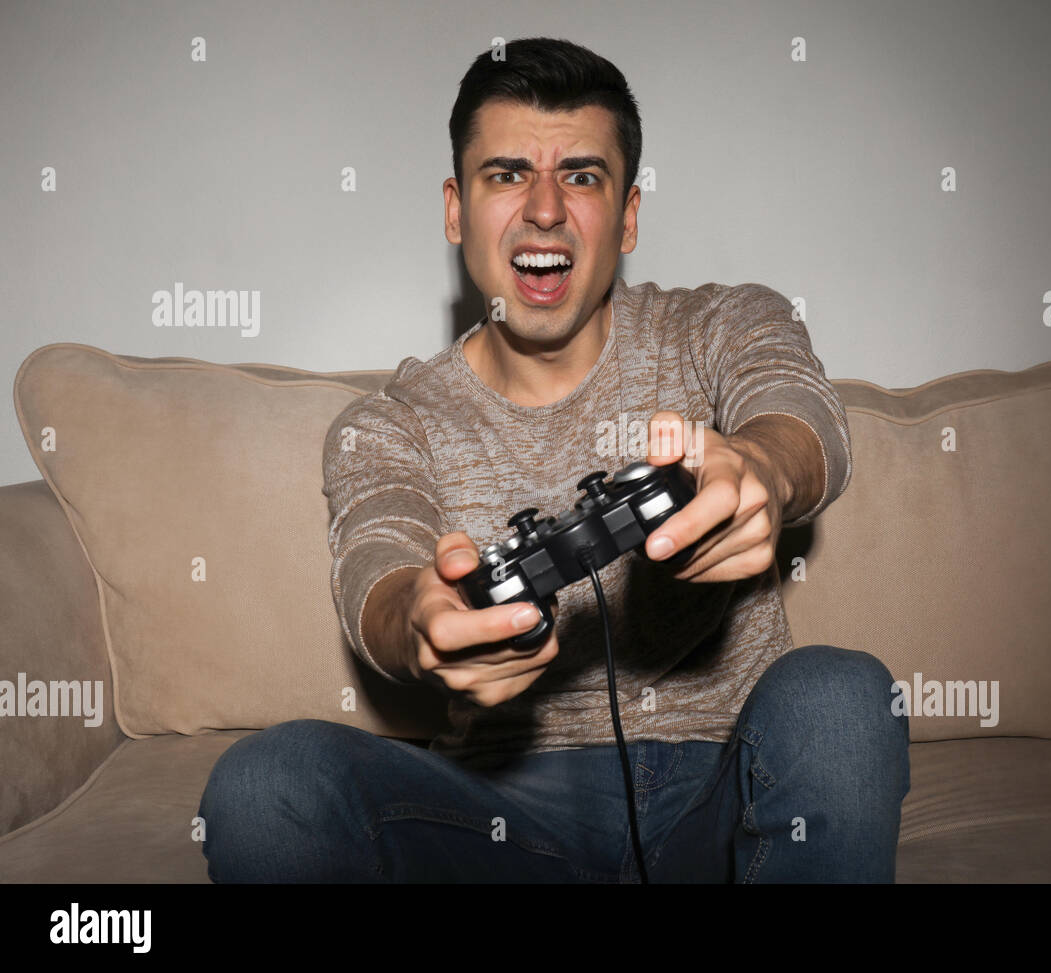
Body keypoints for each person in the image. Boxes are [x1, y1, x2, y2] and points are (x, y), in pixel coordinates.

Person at [198, 36, 909, 883]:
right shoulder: (388, 422)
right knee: (262, 785)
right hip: (502, 816)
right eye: (506, 174)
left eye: (581, 175)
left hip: (726, 792)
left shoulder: (723, 321)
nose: (543, 209)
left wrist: (760, 469)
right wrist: (420, 618)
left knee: (842, 696)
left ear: (630, 215)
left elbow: (798, 412)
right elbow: (377, 570)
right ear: (456, 209)